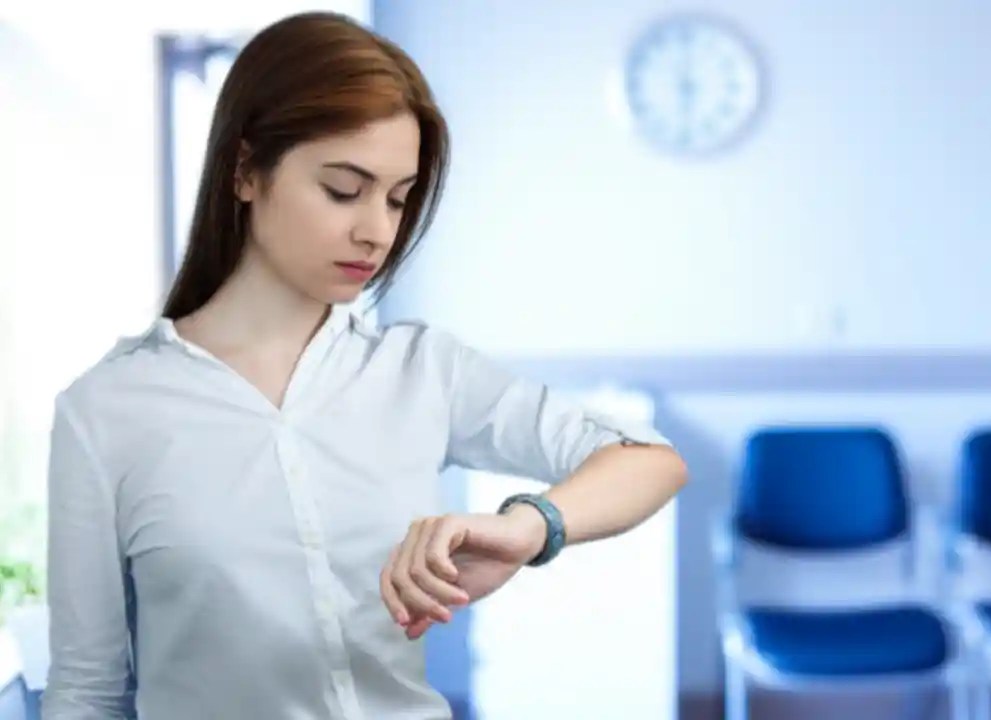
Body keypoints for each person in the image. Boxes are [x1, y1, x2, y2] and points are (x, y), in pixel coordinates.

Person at [41, 11, 687, 719]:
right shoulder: (106, 412)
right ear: (245, 170)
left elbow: (648, 460)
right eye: (343, 190)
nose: (376, 230)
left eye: (397, 198)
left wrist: (531, 526)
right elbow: (88, 692)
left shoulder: (421, 370)